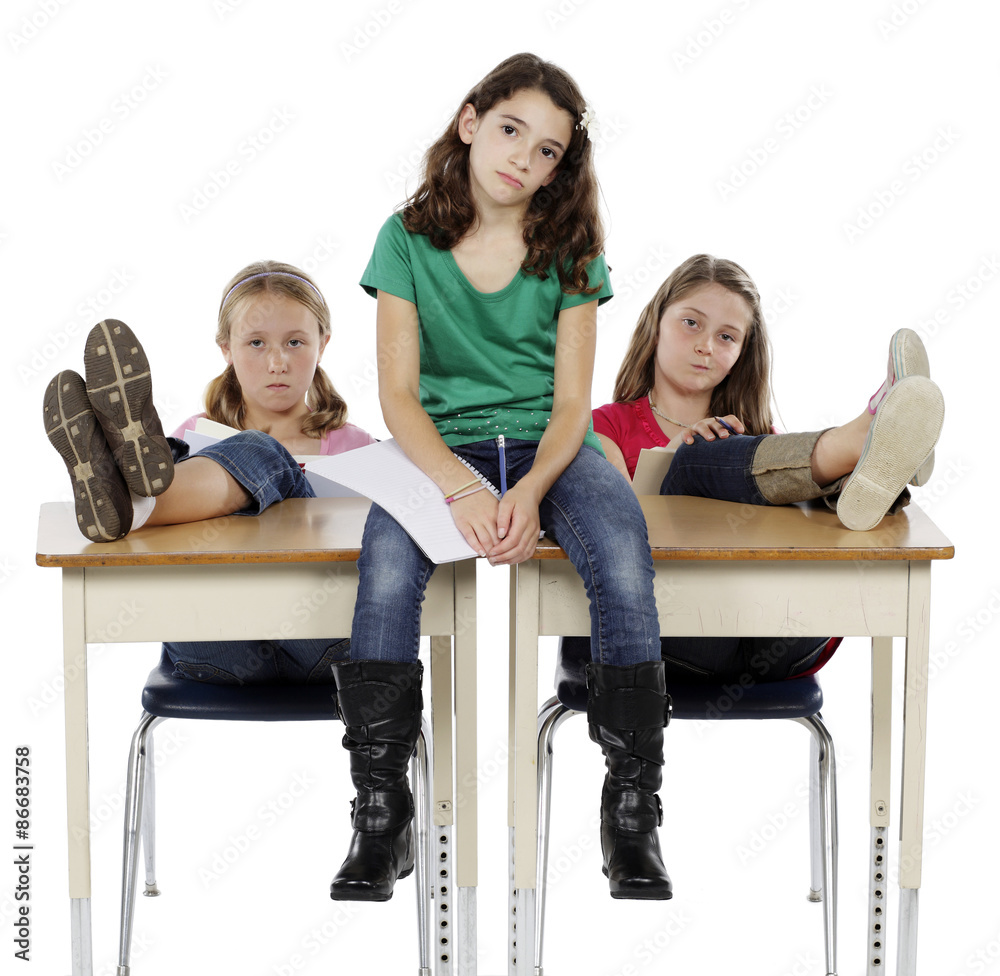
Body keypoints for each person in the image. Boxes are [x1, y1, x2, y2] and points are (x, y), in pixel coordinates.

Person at [330, 52, 672, 904]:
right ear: (471, 121)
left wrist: (527, 490)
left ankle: (632, 813)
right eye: (512, 130)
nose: (524, 157)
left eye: (549, 150)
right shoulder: (404, 238)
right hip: (439, 448)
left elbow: (570, 409)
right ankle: (381, 813)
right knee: (384, 575)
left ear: (563, 168)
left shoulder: (572, 249)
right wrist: (461, 486)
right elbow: (399, 399)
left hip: (549, 448)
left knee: (623, 552)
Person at [574, 252, 944, 685]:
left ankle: (872, 468)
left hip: (783, 626)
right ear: (655, 322)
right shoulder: (603, 426)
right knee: (695, 457)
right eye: (691, 322)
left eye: (727, 337)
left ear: (742, 353)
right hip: (675, 628)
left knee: (795, 495)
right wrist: (680, 449)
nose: (706, 346)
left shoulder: (757, 438)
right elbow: (614, 533)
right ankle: (866, 436)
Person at [43, 261, 375, 684]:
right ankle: (133, 502)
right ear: (226, 349)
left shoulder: (360, 449)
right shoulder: (191, 439)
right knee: (185, 457)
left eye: (294, 342)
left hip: (324, 643)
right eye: (256, 343)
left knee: (263, 452)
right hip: (213, 640)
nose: (277, 362)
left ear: (322, 345)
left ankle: (132, 502)